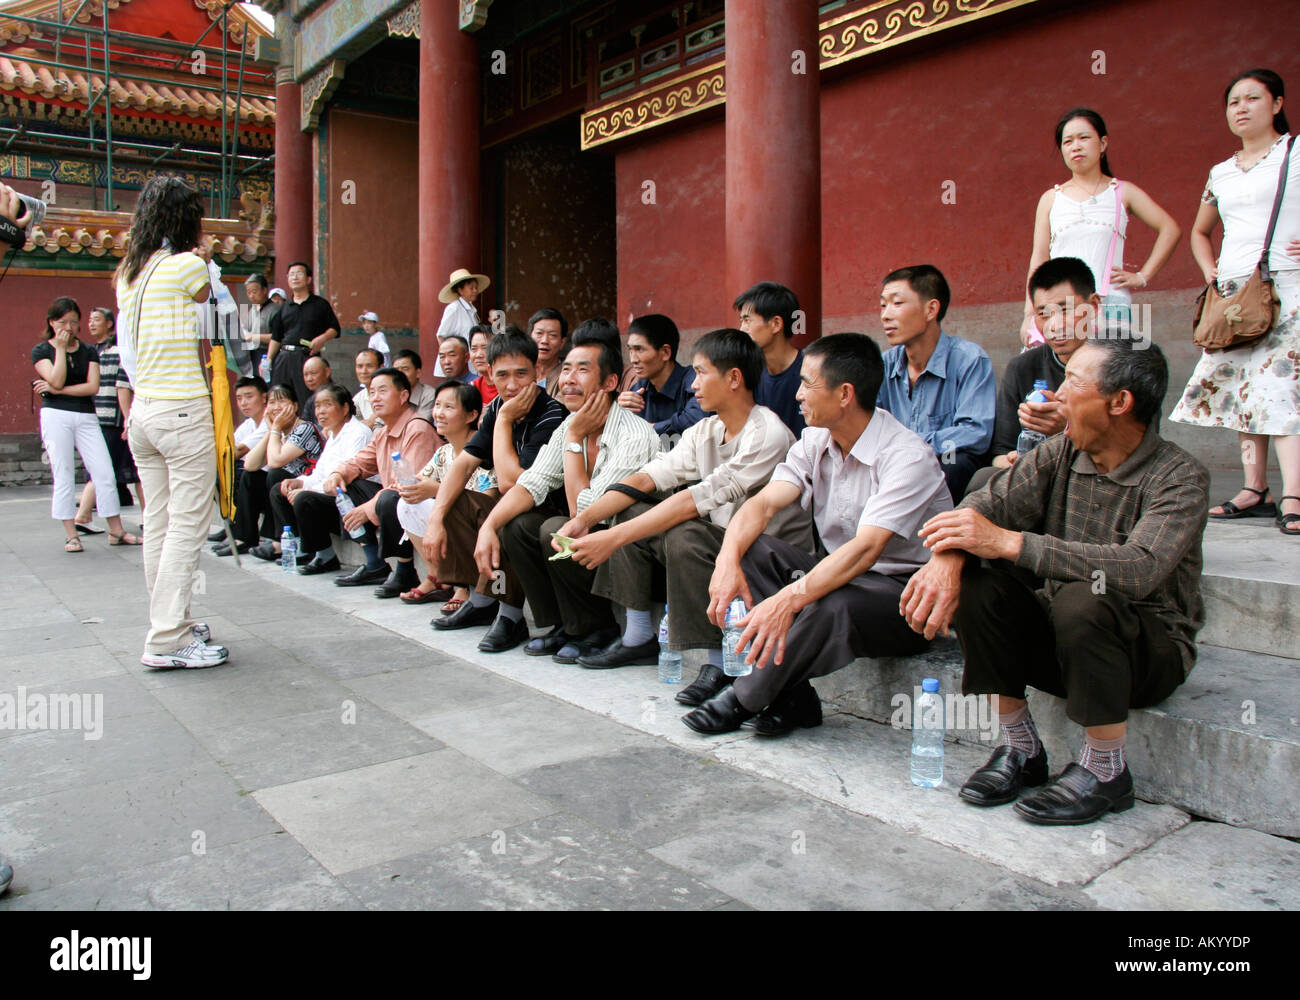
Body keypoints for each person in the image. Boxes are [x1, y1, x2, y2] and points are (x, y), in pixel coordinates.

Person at [902, 338, 1209, 825]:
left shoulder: (1179, 477)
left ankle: (1107, 769)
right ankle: (1021, 748)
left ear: (1119, 402)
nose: (1056, 395)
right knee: (979, 584)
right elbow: (986, 501)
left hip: (1144, 656)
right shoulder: (1061, 451)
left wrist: (1012, 543)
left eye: (1073, 382)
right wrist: (949, 558)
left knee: (1087, 595)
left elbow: (1140, 565)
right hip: (1065, 646)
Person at [681, 333, 950, 736]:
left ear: (844, 394)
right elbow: (761, 505)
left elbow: (865, 551)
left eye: (808, 384)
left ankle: (744, 696)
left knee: (831, 603)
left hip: (904, 598)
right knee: (752, 551)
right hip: (843, 575)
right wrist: (726, 561)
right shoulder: (815, 439)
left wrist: (786, 601)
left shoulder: (906, 456)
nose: (798, 395)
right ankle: (795, 699)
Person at [560, 329, 813, 685]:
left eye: (701, 372)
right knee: (631, 509)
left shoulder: (766, 433)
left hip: (769, 558)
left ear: (734, 378)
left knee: (685, 534)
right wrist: (584, 520)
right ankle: (637, 636)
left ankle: (718, 663)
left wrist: (612, 539)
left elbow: (697, 499)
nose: (692, 384)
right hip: (722, 542)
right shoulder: (705, 430)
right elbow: (647, 478)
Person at [474, 320, 660, 662]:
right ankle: (561, 625)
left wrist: (574, 441)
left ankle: (596, 627)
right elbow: (530, 483)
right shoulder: (568, 425)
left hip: (626, 550)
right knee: (516, 524)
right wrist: (489, 527)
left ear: (610, 382)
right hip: (589, 543)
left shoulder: (635, 435)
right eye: (567, 369)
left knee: (551, 529)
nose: (569, 379)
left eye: (583, 370)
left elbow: (584, 514)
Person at [1172, 68, 1300, 537]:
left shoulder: (1295, 153)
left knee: (1282, 392)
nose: (1241, 108)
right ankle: (1255, 490)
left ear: (1278, 103)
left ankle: (1294, 494)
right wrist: (1211, 269)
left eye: (1252, 98)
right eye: (1233, 102)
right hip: (1233, 295)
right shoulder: (1220, 173)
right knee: (1245, 394)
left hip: (1286, 287)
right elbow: (1200, 231)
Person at [114, 174, 226, 668]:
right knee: (186, 525)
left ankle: (170, 621)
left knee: (158, 521)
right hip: (182, 410)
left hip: (144, 411)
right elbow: (213, 300)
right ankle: (166, 638)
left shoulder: (128, 274)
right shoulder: (186, 267)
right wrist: (204, 257)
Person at [422, 329, 568, 653]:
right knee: (452, 500)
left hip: (545, 512)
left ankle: (510, 615)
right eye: (502, 375)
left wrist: (503, 421)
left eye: (522, 373)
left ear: (538, 371)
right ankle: (481, 599)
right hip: (510, 505)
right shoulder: (499, 406)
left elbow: (512, 483)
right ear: (488, 373)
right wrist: (435, 518)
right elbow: (462, 466)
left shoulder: (553, 413)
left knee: (510, 520)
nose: (513, 385)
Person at [1020, 108, 1181, 347]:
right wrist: (1029, 313)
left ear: (1103, 143)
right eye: (1067, 141)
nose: (1075, 146)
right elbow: (1040, 258)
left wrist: (1142, 276)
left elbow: (1170, 228)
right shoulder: (1051, 199)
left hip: (1111, 304)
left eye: (1084, 138)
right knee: (1057, 378)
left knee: (1109, 375)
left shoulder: (1123, 192)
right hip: (1058, 307)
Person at [968, 256, 1101, 495]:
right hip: (1035, 477)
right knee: (983, 479)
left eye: (1065, 310)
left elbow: (1132, 452)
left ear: (1093, 306)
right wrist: (1013, 461)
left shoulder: (1122, 365)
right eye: (1044, 314)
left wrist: (1067, 430)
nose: (1055, 325)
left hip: (1097, 482)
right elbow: (999, 452)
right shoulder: (1023, 367)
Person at [875, 265, 996, 501]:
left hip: (944, 466)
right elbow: (871, 425)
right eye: (883, 305)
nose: (885, 315)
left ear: (931, 309)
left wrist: (913, 446)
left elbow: (976, 433)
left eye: (897, 303)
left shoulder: (969, 359)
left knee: (955, 462)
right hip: (892, 463)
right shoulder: (883, 365)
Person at [31, 297, 139, 552]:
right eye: (62, 322)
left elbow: (91, 386)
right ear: (51, 322)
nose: (68, 327)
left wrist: (58, 389)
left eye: (73, 322)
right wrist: (59, 349)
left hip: (87, 416)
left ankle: (116, 529)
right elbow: (54, 377)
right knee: (64, 473)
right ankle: (71, 534)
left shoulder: (89, 351)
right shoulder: (41, 351)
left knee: (104, 472)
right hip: (56, 415)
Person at [319, 368, 439, 596]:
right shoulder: (382, 433)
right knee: (349, 487)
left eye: (382, 391)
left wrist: (369, 507)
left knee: (389, 498)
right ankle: (374, 561)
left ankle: (405, 569)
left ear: (403, 396)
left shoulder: (418, 428)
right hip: (394, 498)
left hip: (421, 502)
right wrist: (338, 474)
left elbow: (409, 483)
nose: (375, 398)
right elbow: (359, 463)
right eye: (372, 392)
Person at [395, 382, 495, 612]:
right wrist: (408, 487)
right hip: (456, 527)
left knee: (451, 508)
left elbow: (487, 500)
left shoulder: (483, 450)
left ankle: (463, 586)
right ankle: (438, 575)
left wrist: (436, 491)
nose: (439, 413)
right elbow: (421, 481)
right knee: (406, 504)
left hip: (481, 527)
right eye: (437, 405)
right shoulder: (443, 452)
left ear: (471, 415)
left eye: (449, 407)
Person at [272, 383, 374, 574]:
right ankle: (303, 545)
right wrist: (300, 482)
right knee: (280, 489)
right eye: (318, 406)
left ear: (345, 408)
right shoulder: (334, 435)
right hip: (330, 493)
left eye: (327, 405)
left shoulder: (358, 432)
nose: (320, 411)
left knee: (304, 498)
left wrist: (306, 490)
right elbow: (320, 474)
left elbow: (343, 479)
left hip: (352, 496)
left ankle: (325, 555)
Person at [75, 307, 143, 529]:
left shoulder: (119, 350)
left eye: (97, 320)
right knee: (120, 470)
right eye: (90, 320)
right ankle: (84, 514)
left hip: (114, 420)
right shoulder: (92, 352)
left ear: (110, 324)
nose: (91, 324)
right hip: (101, 419)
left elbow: (122, 386)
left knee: (131, 470)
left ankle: (84, 514)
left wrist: (125, 418)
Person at [244, 384, 324, 562]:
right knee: (251, 476)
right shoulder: (279, 432)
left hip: (310, 483)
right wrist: (272, 429)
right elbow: (250, 464)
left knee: (275, 475)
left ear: (295, 406)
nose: (276, 407)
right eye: (272, 402)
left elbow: (275, 461)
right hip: (291, 485)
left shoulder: (305, 428)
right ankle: (270, 538)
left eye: (282, 401)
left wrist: (275, 429)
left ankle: (284, 543)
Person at [618, 313, 708, 442]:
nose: (633, 359)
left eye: (639, 350)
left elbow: (697, 420)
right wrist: (621, 413)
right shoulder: (639, 389)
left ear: (665, 352)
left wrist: (650, 429)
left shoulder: (693, 380)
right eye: (630, 350)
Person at [733, 281, 805, 437]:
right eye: (741, 321)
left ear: (776, 324)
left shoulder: (813, 371)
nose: (742, 329)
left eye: (747, 320)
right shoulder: (749, 375)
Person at [266, 261, 339, 406]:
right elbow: (276, 337)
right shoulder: (284, 307)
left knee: (306, 398)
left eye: (299, 273)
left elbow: (335, 328)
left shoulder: (320, 304)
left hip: (307, 357)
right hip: (284, 358)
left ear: (308, 279)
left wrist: (322, 339)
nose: (294, 277)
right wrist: (268, 359)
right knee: (280, 397)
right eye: (291, 274)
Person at [436, 267, 490, 375]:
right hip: (457, 367)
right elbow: (441, 335)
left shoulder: (472, 309)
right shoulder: (454, 308)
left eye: (476, 288)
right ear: (460, 290)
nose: (475, 291)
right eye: (471, 288)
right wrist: (449, 358)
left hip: (469, 362)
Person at [241, 273, 279, 374]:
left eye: (254, 291)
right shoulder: (252, 309)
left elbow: (278, 336)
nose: (251, 296)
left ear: (264, 290)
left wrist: (254, 337)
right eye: (248, 292)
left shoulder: (275, 310)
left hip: (267, 354)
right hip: (252, 353)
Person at [528, 307, 568, 398]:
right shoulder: (520, 371)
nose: (544, 340)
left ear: (562, 342)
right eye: (539, 333)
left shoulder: (567, 377)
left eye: (552, 335)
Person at [392, 349, 437, 421]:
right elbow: (378, 424)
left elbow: (420, 425)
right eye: (396, 370)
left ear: (418, 373)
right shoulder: (391, 393)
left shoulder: (429, 395)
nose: (399, 374)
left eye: (405, 369)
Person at [467, 324, 499, 406]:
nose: (478, 355)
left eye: (485, 348)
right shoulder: (473, 387)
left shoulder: (510, 387)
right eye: (474, 349)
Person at [353, 348, 382, 428]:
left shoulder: (392, 393)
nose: (364, 371)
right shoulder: (358, 398)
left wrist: (372, 421)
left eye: (369, 366)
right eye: (360, 366)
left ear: (381, 367)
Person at [300, 355, 334, 424]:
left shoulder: (336, 395)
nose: (309, 379)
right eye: (305, 375)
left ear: (327, 372)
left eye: (313, 373)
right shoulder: (311, 400)